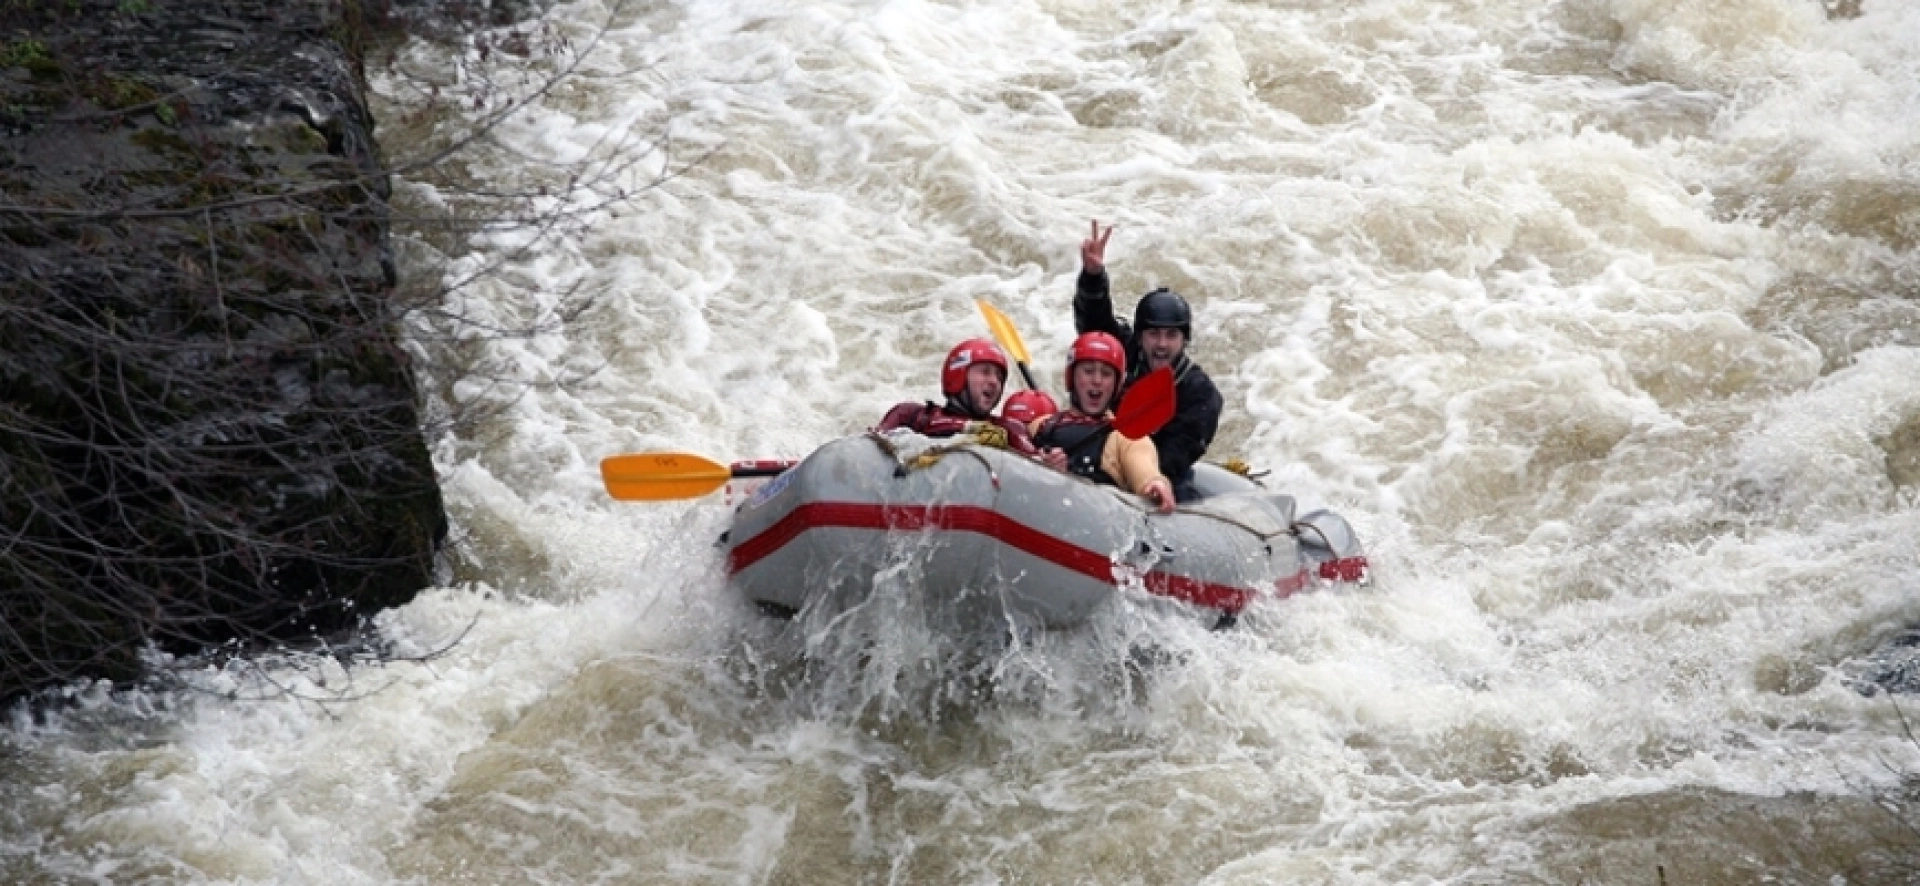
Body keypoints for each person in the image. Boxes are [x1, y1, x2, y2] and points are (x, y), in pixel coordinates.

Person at [1072, 220, 1224, 502]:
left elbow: (1176, 455)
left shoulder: (1199, 393)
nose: (1162, 345)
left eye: (1171, 335)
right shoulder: (1126, 354)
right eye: (1153, 334)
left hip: (1160, 478)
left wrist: (1138, 475)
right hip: (1104, 455)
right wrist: (1093, 276)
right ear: (1141, 337)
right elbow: (1095, 327)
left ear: (1184, 339)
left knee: (1178, 491)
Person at [1027, 332, 1176, 514]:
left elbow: (1145, 470)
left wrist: (1155, 484)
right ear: (1071, 377)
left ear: (1116, 385)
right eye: (1088, 371)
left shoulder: (1126, 436)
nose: (1097, 380)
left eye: (1106, 374)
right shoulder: (1041, 425)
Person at [874, 338, 1039, 455]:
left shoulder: (1009, 429)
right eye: (985, 372)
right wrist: (968, 428)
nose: (995, 382)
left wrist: (1052, 463)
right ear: (958, 375)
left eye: (999, 377)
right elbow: (873, 447)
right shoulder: (910, 414)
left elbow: (1037, 467)